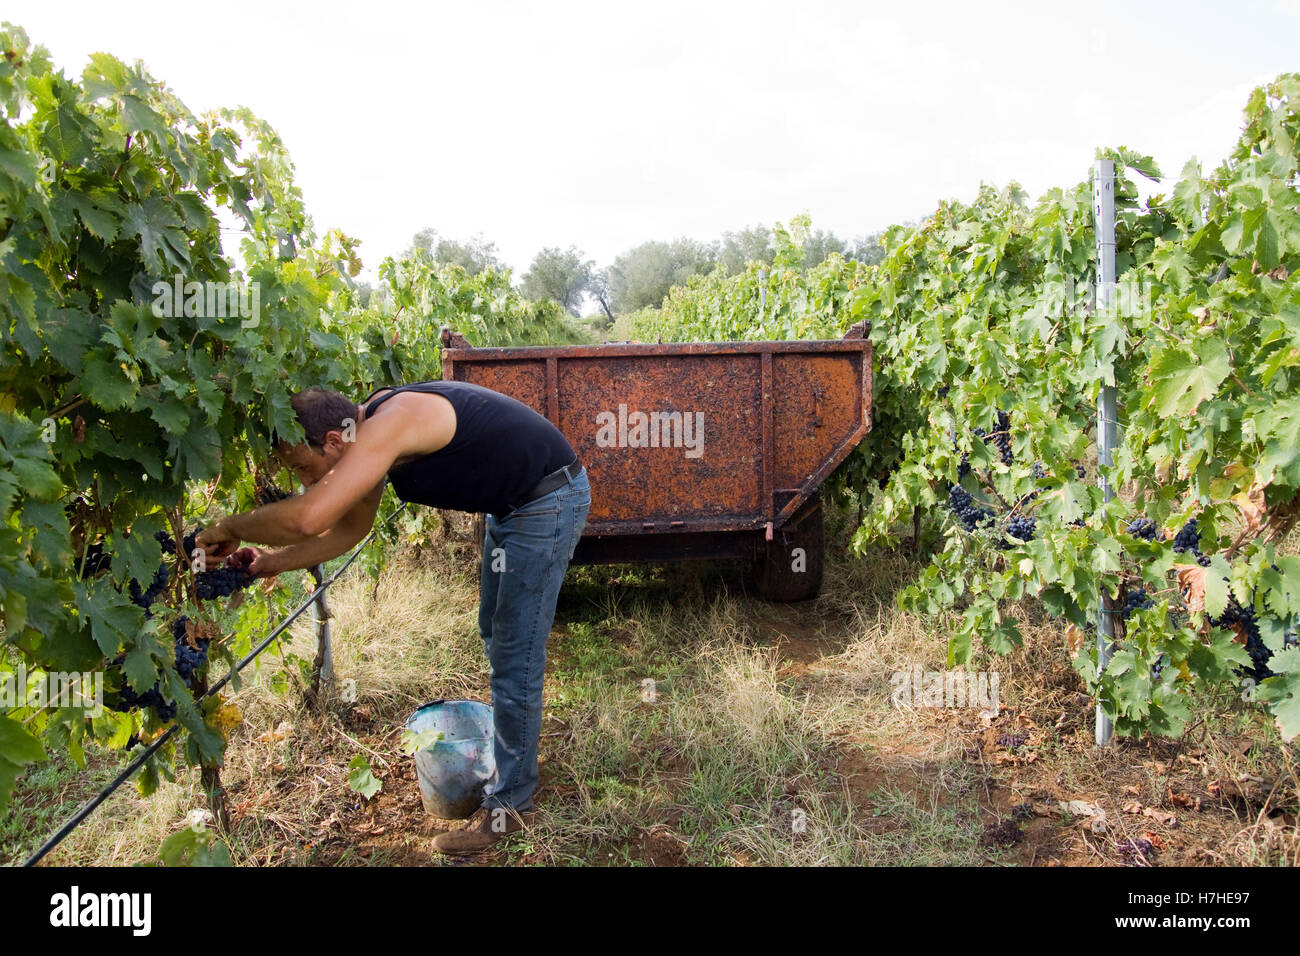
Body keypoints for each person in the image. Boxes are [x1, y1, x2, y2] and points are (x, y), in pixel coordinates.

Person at [195, 382, 591, 853]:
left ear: (335, 441)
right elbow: (349, 529)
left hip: (546, 502)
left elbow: (308, 518)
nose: (303, 480)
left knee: (515, 652)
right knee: (497, 635)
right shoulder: (368, 435)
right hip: (513, 508)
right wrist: (268, 563)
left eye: (303, 466)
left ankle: (512, 806)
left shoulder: (389, 425)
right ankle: (514, 758)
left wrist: (227, 527)